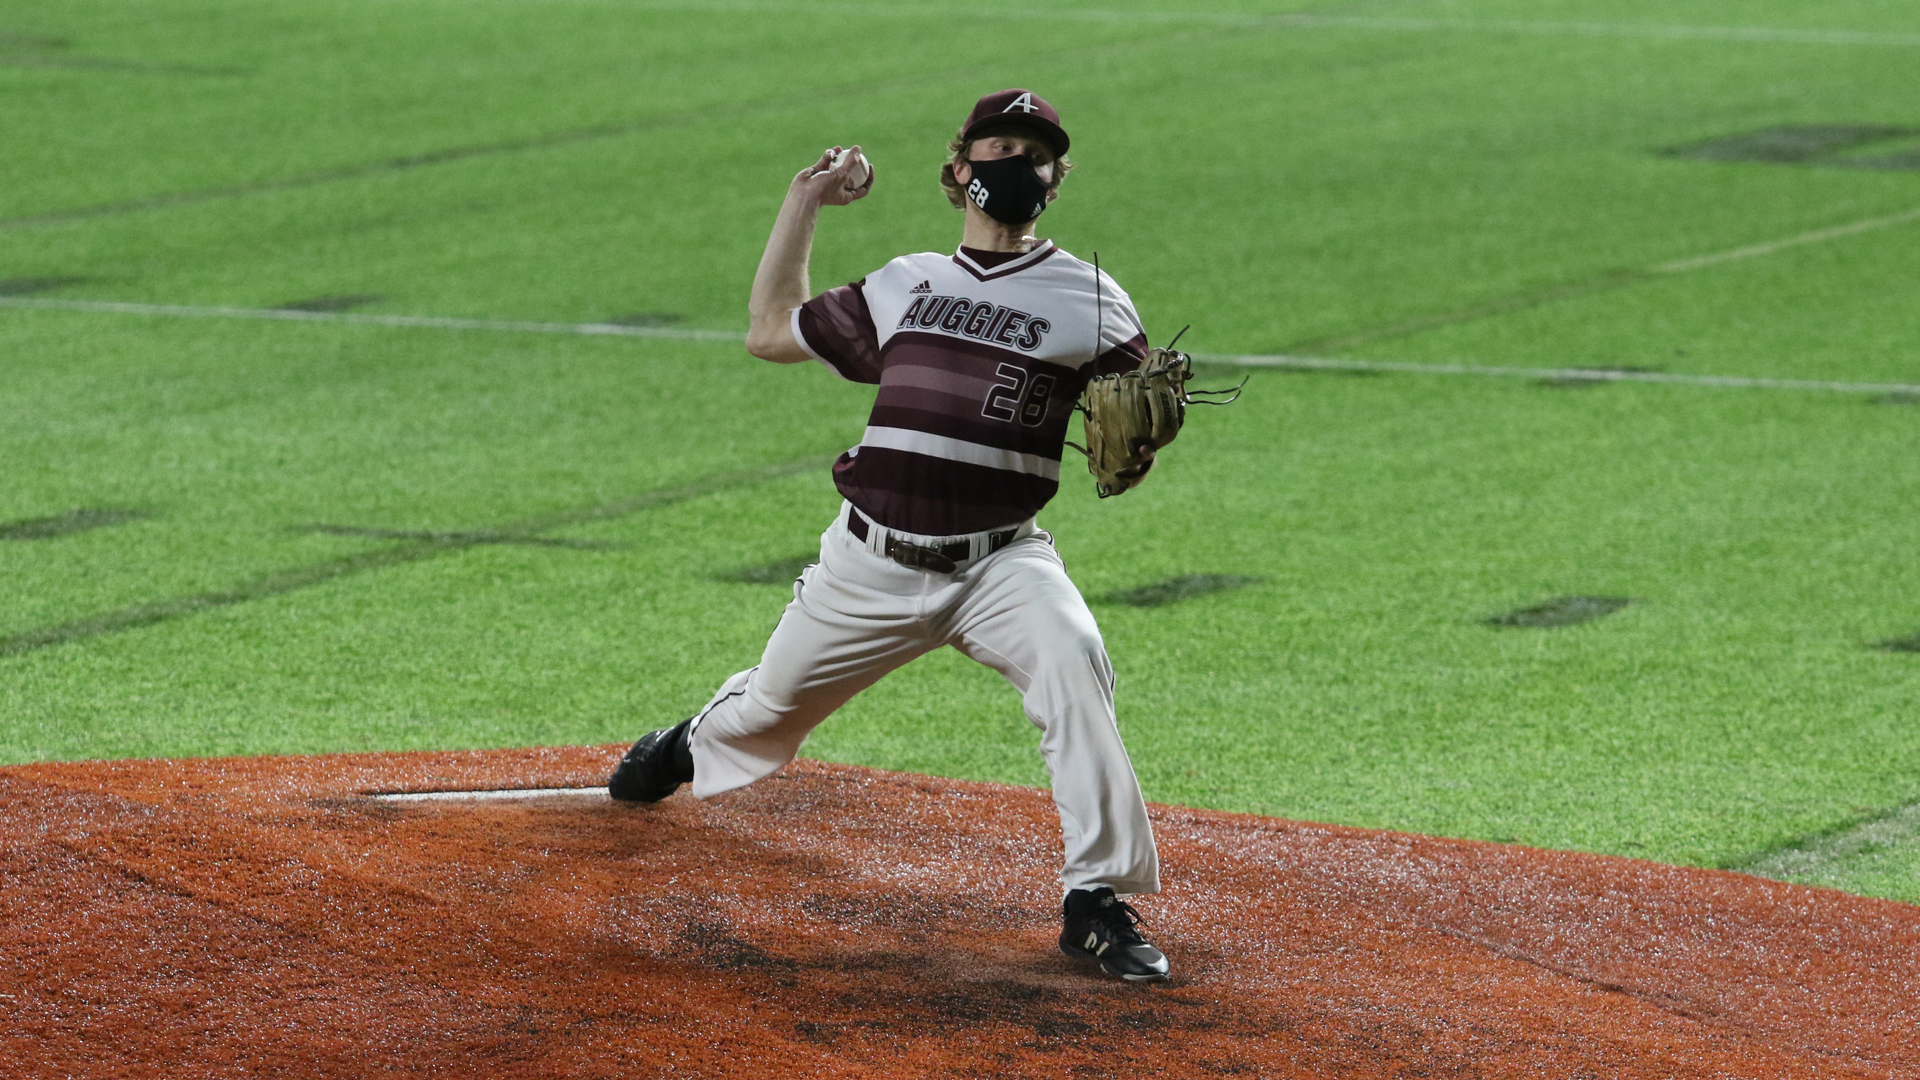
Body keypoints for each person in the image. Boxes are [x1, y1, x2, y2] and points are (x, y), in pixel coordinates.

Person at [610, 89, 1170, 982]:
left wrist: (1141, 452)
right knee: (766, 716)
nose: (1017, 166)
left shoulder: (1092, 300)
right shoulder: (906, 281)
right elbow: (769, 332)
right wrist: (804, 202)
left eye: (1035, 154)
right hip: (868, 562)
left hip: (1001, 562)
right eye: (999, 148)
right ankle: (681, 747)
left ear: (1056, 180)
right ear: (959, 169)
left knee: (1075, 659)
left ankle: (1095, 900)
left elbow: (1134, 425)